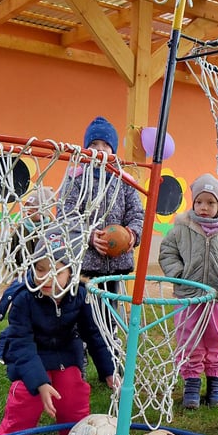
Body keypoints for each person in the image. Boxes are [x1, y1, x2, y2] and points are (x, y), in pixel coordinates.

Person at [0, 239, 117, 435]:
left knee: (73, 393)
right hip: (31, 355)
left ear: (71, 273)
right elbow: (21, 343)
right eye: (40, 270)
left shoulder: (79, 295)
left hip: (65, 354)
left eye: (56, 272)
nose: (46, 278)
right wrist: (40, 382)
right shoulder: (24, 297)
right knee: (26, 394)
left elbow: (94, 335)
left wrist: (109, 370)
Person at [158, 174, 218, 409]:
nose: (204, 207)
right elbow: (167, 252)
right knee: (188, 338)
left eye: (210, 203)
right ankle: (191, 382)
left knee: (216, 339)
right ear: (193, 203)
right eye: (199, 202)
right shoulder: (181, 228)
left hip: (216, 297)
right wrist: (179, 273)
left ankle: (215, 382)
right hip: (187, 297)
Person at [63, 116, 144, 309]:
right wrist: (89, 236)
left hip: (116, 263)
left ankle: (110, 336)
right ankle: (81, 338)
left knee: (109, 309)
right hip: (84, 263)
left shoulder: (124, 180)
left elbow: (136, 213)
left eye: (105, 145)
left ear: (113, 150)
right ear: (85, 148)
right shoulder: (76, 179)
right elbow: (67, 215)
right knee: (82, 310)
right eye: (94, 144)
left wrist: (132, 233)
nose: (100, 149)